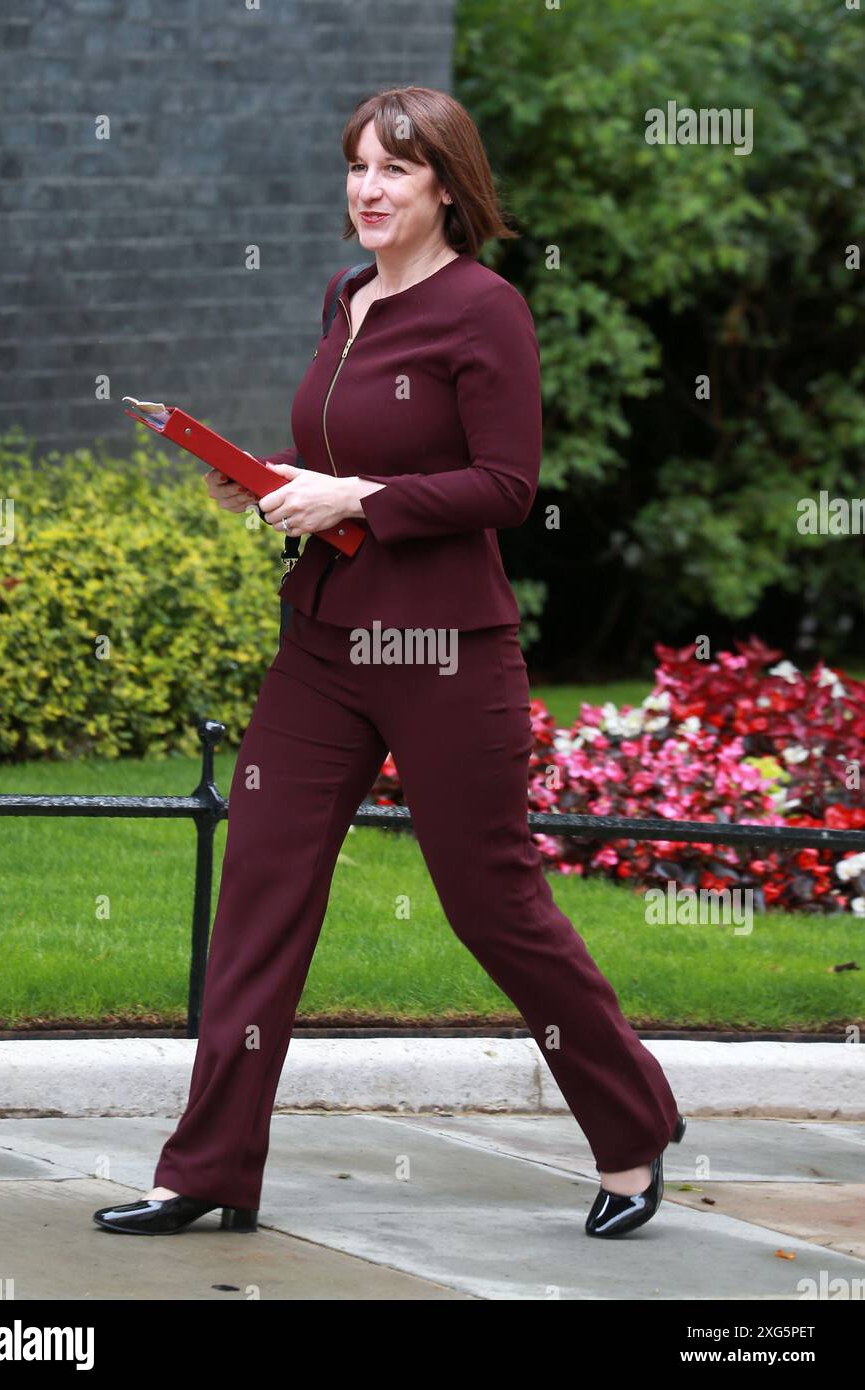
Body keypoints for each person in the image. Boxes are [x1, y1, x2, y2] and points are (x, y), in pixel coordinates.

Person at [93, 85, 684, 1243]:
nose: (367, 189)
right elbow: (342, 451)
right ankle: (208, 1167)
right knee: (259, 888)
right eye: (357, 167)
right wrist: (271, 481)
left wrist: (353, 495)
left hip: (445, 652)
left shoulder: (486, 310)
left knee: (489, 899)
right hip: (321, 641)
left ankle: (631, 1128)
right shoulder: (345, 295)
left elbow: (505, 486)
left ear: (447, 189)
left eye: (394, 172)